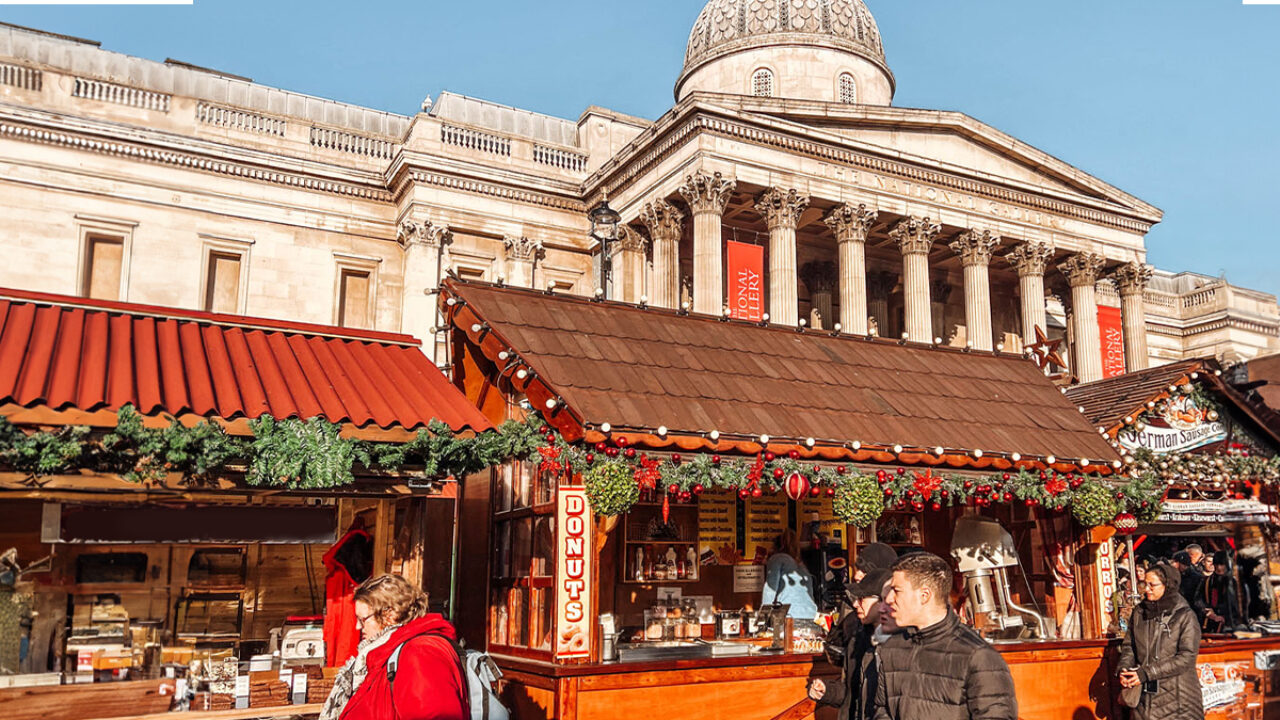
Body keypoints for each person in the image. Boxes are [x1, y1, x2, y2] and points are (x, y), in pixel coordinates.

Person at [873, 553, 1017, 720]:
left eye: (896, 591)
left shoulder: (978, 657)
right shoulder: (892, 648)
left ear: (924, 595)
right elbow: (881, 709)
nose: (889, 599)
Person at [320, 574, 468, 720]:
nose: (358, 627)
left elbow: (436, 715)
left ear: (391, 614)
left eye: (362, 619)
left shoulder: (420, 652)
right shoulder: (388, 652)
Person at [1118, 563, 1203, 720]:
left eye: (1153, 585)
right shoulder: (1139, 612)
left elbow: (1186, 657)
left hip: (1178, 698)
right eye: (1145, 584)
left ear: (1167, 585)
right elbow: (1129, 646)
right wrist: (1125, 669)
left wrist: (1146, 673)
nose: (1147, 589)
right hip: (1145, 698)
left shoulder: (1185, 615)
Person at [809, 568, 892, 720]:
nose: (855, 604)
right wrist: (826, 691)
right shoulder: (857, 641)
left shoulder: (900, 646)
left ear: (883, 600)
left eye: (862, 598)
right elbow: (850, 693)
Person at [825, 543, 898, 667]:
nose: (856, 575)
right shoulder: (852, 608)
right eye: (856, 569)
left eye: (864, 571)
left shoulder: (903, 633)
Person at [762, 529, 818, 621]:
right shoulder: (802, 567)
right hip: (811, 616)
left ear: (776, 547)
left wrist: (763, 617)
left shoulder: (777, 558)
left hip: (790, 617)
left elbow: (770, 589)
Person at [1198, 551, 1242, 633]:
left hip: (1232, 625)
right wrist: (1207, 611)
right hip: (1211, 625)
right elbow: (1198, 600)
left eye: (1222, 565)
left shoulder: (1234, 583)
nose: (1219, 568)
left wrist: (1224, 616)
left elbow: (1238, 605)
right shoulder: (1207, 581)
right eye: (1216, 565)